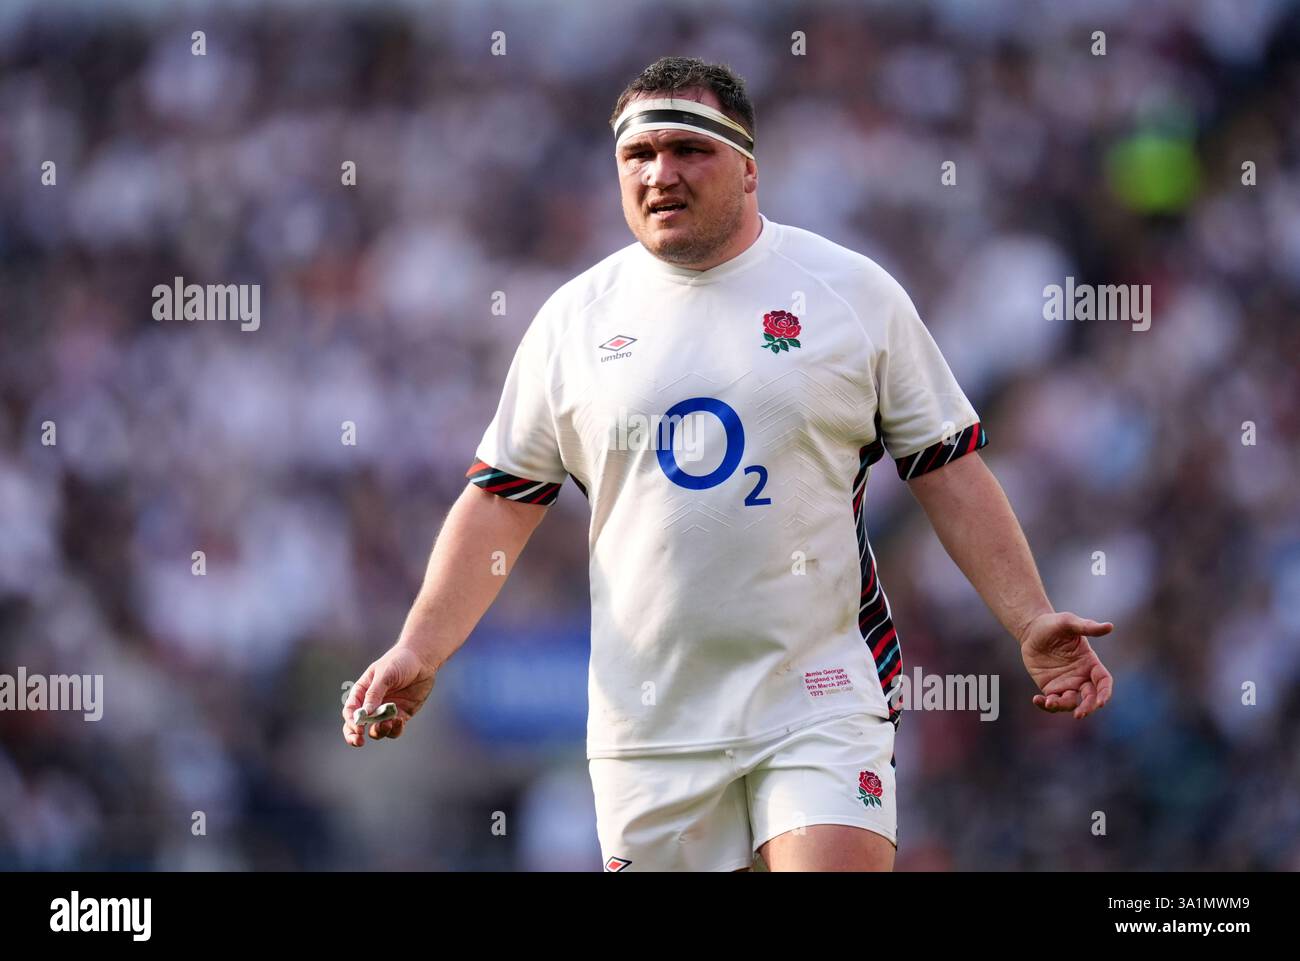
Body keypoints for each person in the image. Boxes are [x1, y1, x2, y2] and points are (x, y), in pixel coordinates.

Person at [342, 56, 1114, 872]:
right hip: (650, 724)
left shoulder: (852, 294)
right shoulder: (574, 321)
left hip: (816, 696)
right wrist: (419, 648)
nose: (660, 174)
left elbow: (946, 470)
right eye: (638, 156)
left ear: (748, 166)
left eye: (688, 150)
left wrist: (1030, 619)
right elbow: (501, 501)